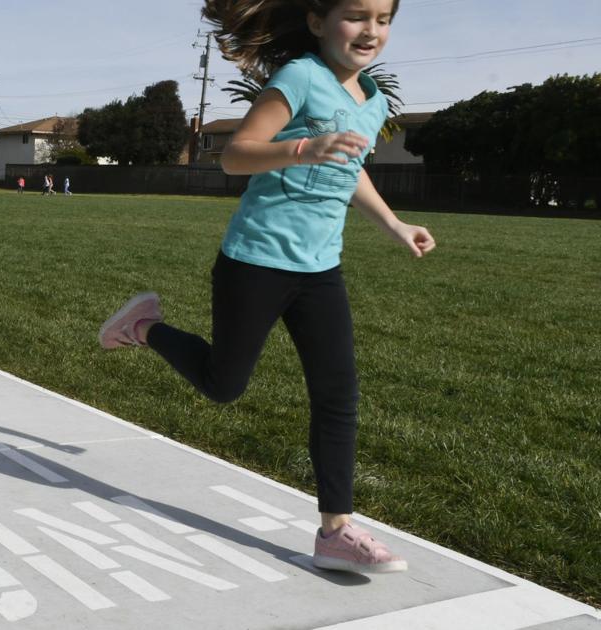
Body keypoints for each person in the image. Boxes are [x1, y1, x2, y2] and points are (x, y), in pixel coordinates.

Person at [99, 0, 434, 574]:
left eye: (383, 20)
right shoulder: (300, 77)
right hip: (255, 261)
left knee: (338, 394)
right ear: (318, 22)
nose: (371, 30)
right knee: (223, 385)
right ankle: (144, 327)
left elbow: (351, 169)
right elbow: (234, 155)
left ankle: (336, 532)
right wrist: (303, 148)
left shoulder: (372, 98)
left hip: (320, 269)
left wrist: (393, 223)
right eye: (357, 16)